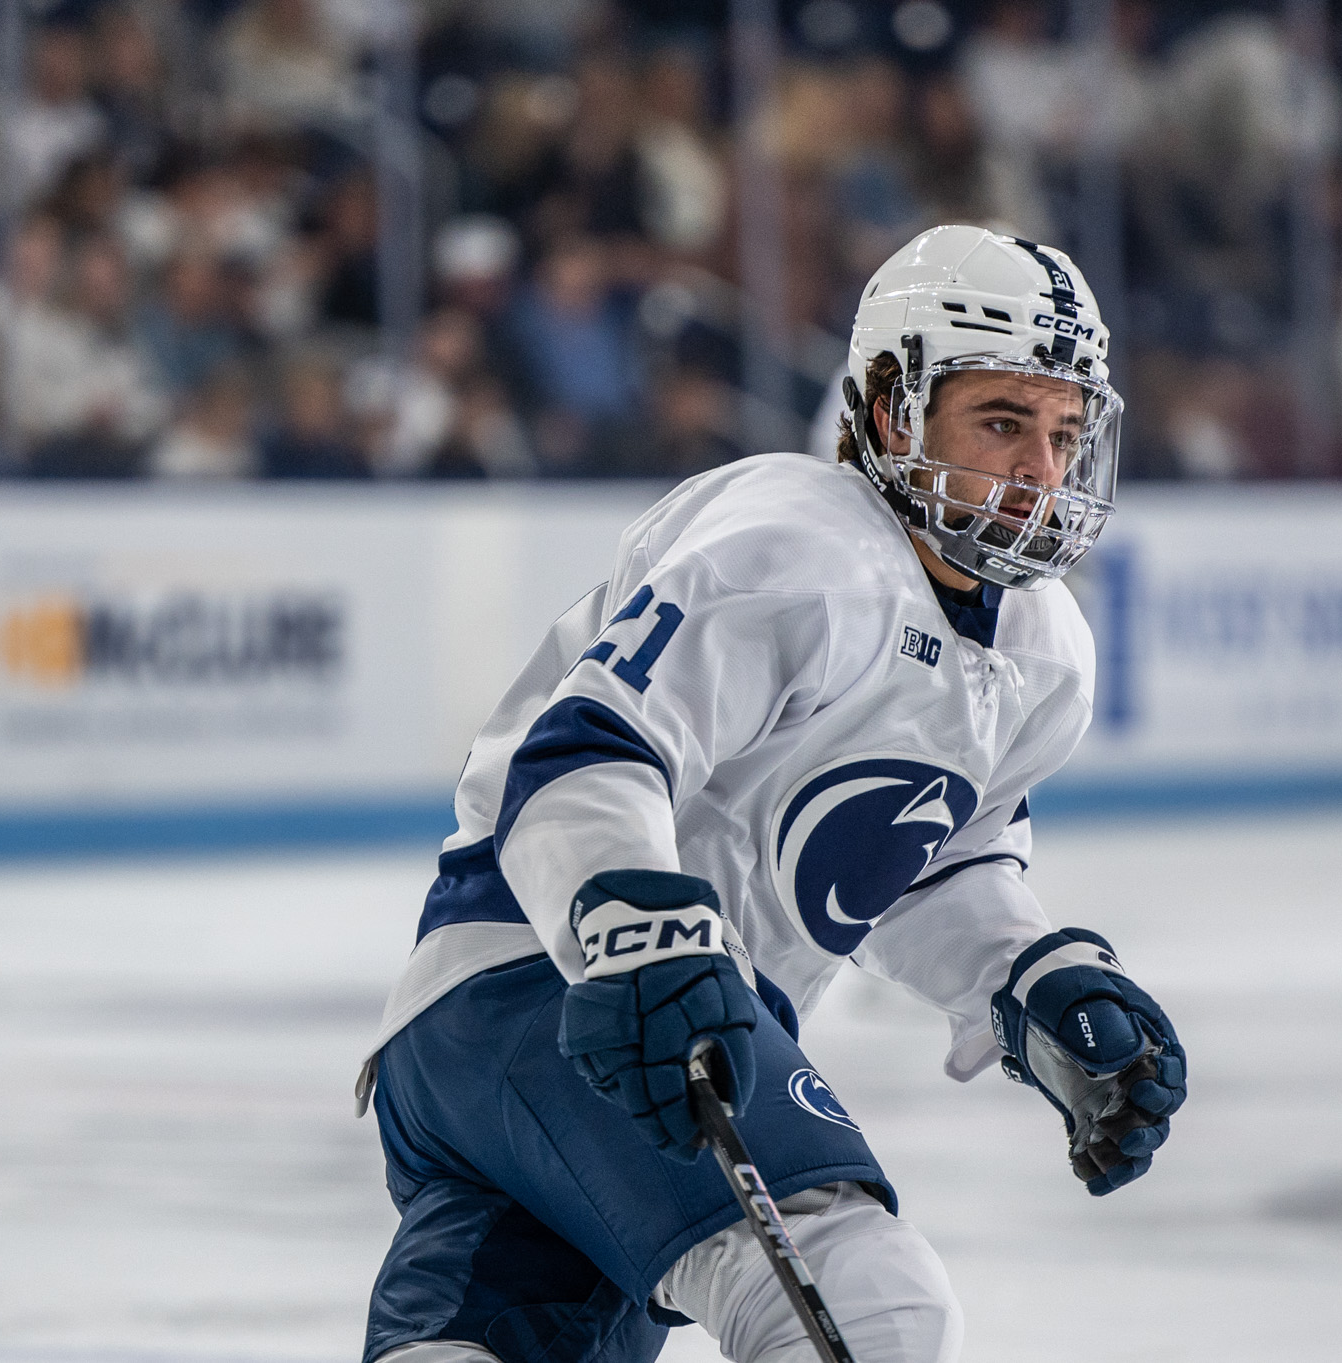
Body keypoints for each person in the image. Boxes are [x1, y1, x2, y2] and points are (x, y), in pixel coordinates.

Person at [356, 225, 1188, 1363]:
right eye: (1001, 422)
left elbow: (928, 863)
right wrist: (637, 934)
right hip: (558, 988)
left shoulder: (1043, 651)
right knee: (869, 1300)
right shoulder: (801, 539)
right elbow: (583, 755)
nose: (1041, 471)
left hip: (554, 1031)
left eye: (1064, 432)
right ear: (892, 407)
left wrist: (1029, 978)